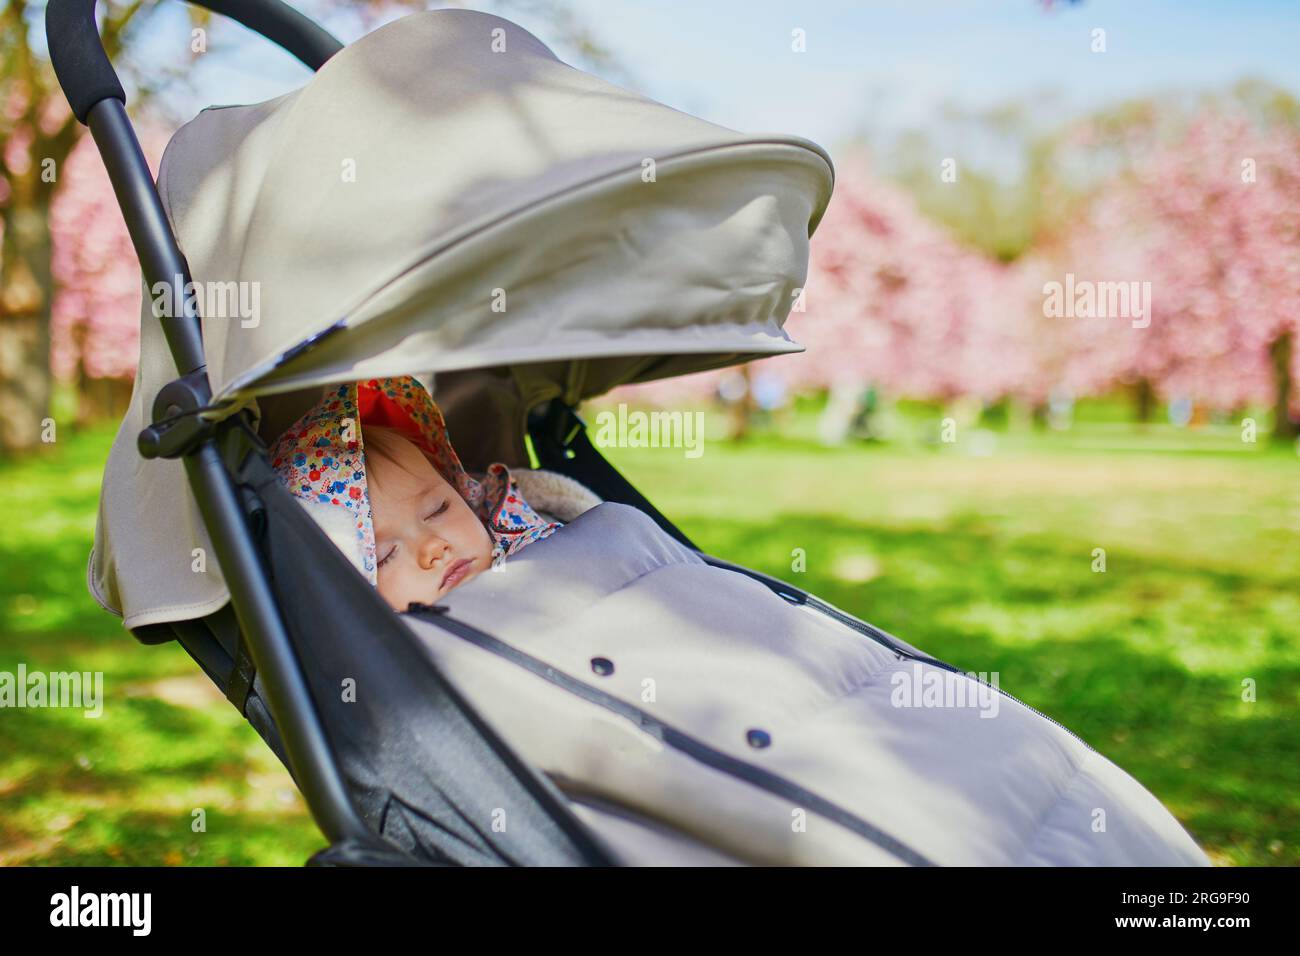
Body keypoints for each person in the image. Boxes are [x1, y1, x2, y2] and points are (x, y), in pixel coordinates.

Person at [270, 375, 564, 611]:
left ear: (461, 490)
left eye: (439, 509)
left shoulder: (533, 536)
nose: (434, 547)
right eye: (385, 555)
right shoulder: (393, 667)